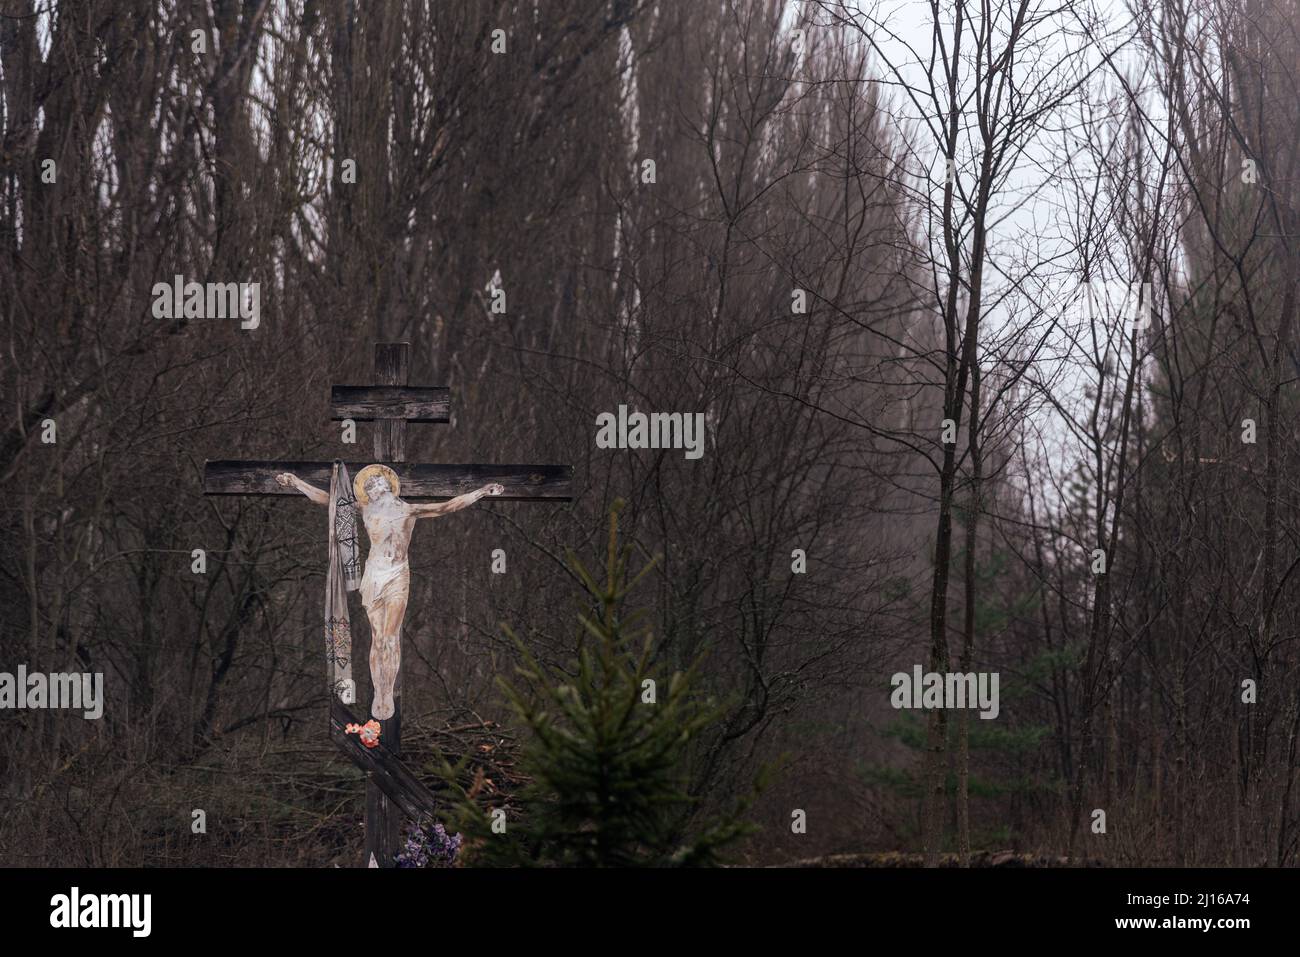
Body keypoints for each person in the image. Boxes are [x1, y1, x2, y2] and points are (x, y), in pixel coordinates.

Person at [275, 464, 504, 719]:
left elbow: (448, 506)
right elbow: (329, 501)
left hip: (398, 575)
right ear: (368, 493)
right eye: (370, 486)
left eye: (378, 483)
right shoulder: (363, 509)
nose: (375, 487)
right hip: (373, 577)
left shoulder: (409, 510)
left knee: (390, 636)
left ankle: (387, 692)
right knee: (377, 638)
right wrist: (297, 483)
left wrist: (481, 492)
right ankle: (378, 690)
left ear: (389, 486)